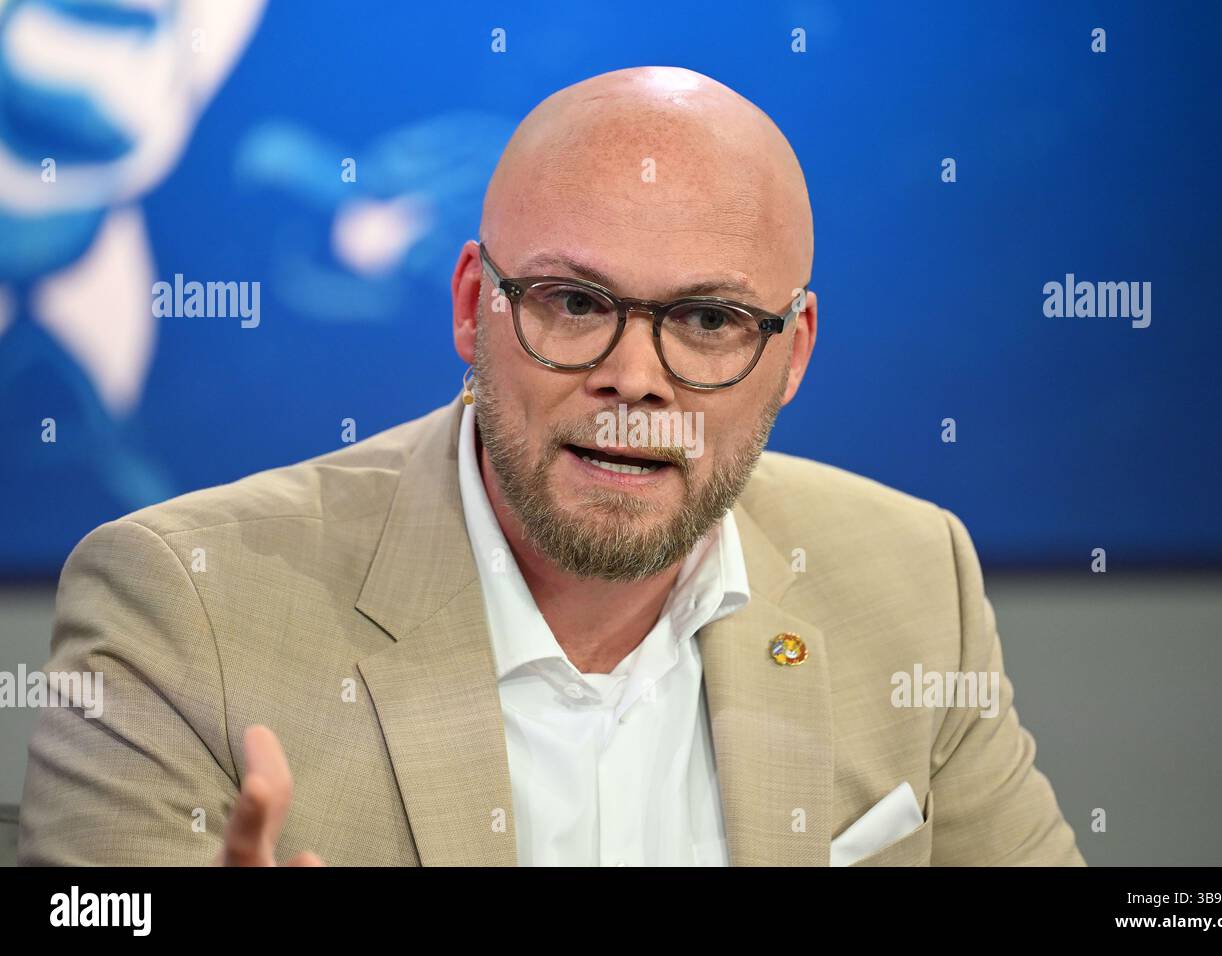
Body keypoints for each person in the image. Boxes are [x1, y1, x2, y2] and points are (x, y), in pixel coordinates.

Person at [18, 66, 1084, 866]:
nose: (635, 378)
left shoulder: (910, 580)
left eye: (707, 319)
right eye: (575, 303)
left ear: (792, 354)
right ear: (473, 308)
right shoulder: (180, 604)